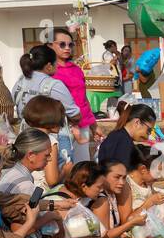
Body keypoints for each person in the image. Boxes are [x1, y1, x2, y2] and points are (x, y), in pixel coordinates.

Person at [50, 27, 94, 161]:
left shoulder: (76, 69)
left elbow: (83, 98)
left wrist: (94, 124)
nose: (67, 48)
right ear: (51, 46)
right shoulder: (49, 71)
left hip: (82, 123)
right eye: (62, 44)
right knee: (64, 165)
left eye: (70, 44)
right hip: (61, 126)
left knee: (83, 165)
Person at [98, 103, 155, 172]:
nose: (148, 136)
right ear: (137, 122)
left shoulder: (116, 135)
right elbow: (121, 172)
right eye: (149, 130)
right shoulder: (124, 142)